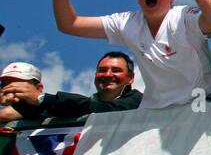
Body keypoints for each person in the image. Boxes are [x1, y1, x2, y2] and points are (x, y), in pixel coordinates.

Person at [41, 0, 211, 110]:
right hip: (156, 114)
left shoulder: (184, 17)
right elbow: (70, 25)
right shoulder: (127, 22)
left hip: (202, 107)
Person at [4, 53, 142, 123]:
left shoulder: (139, 101)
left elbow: (101, 110)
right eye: (102, 70)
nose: (107, 75)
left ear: (131, 78)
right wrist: (18, 102)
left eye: (116, 70)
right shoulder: (82, 106)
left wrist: (41, 98)